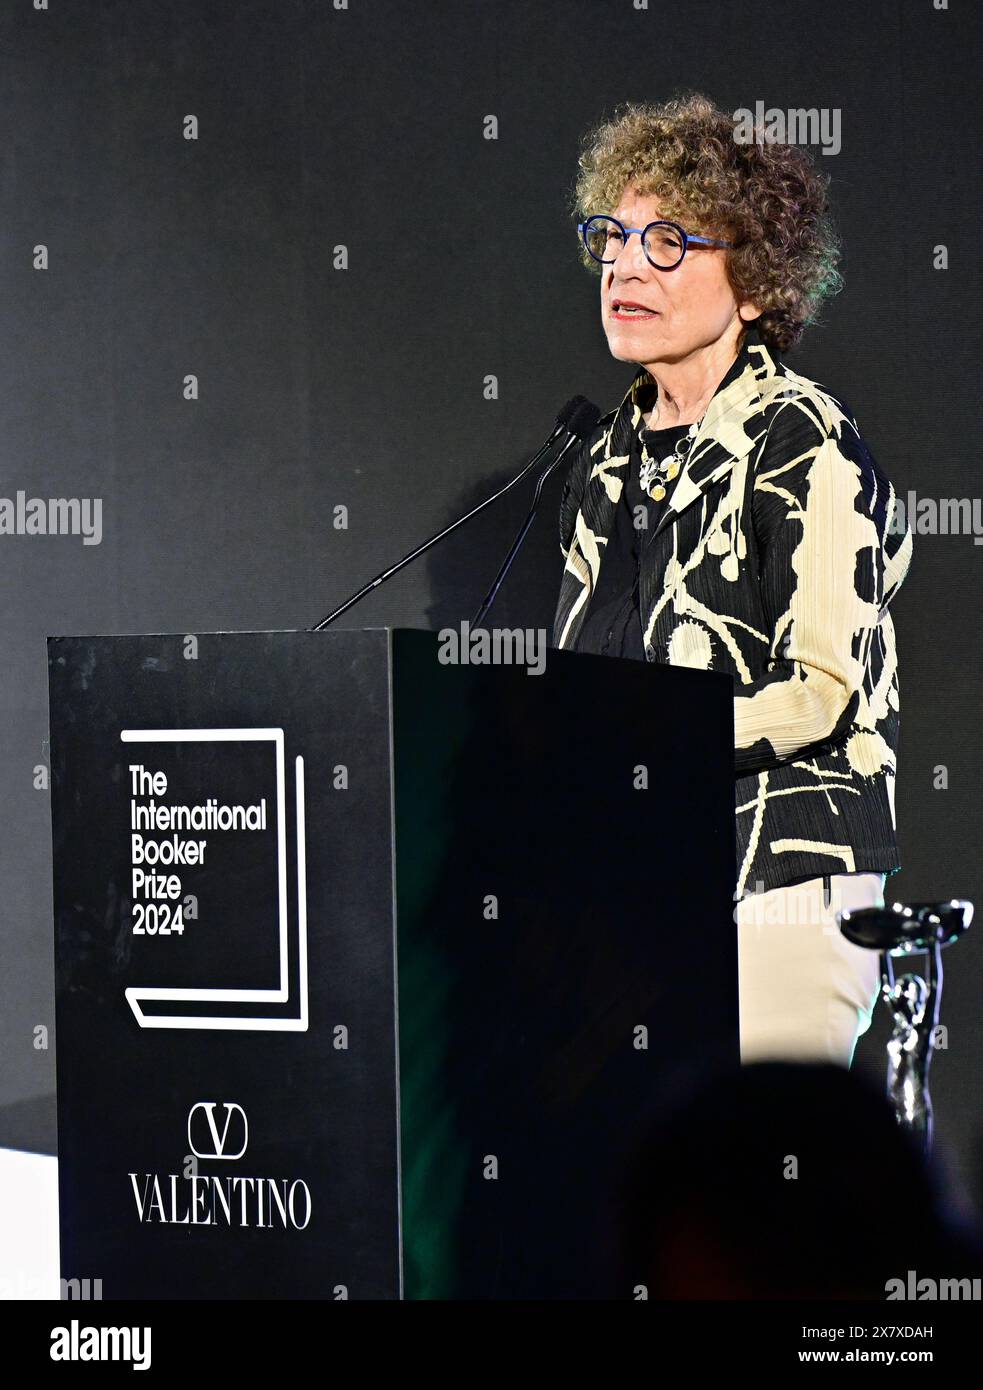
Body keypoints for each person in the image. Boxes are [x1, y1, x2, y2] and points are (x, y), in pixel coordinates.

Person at [553, 93, 914, 1067]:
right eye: (611, 238)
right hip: (632, 901)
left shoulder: (801, 441)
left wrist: (641, 747)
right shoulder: (601, 462)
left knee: (760, 1204)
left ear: (754, 281)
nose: (625, 265)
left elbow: (821, 691)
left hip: (783, 892)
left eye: (668, 241)